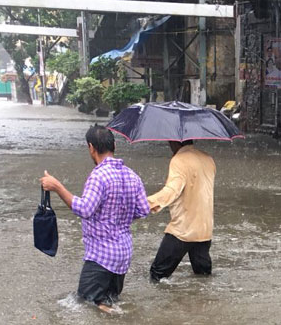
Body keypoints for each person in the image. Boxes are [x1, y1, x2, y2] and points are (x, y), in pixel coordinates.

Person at [40, 126, 150, 312]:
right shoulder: (132, 176)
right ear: (114, 145)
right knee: (107, 304)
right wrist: (118, 218)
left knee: (83, 307)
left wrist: (57, 186)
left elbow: (84, 209)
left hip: (101, 257)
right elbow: (143, 210)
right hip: (123, 256)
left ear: (91, 147)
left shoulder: (98, 176)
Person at [147, 140, 216, 282]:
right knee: (203, 277)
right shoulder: (208, 159)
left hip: (183, 230)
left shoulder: (179, 160)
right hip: (204, 230)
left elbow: (172, 190)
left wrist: (146, 203)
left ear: (174, 141)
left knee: (157, 274)